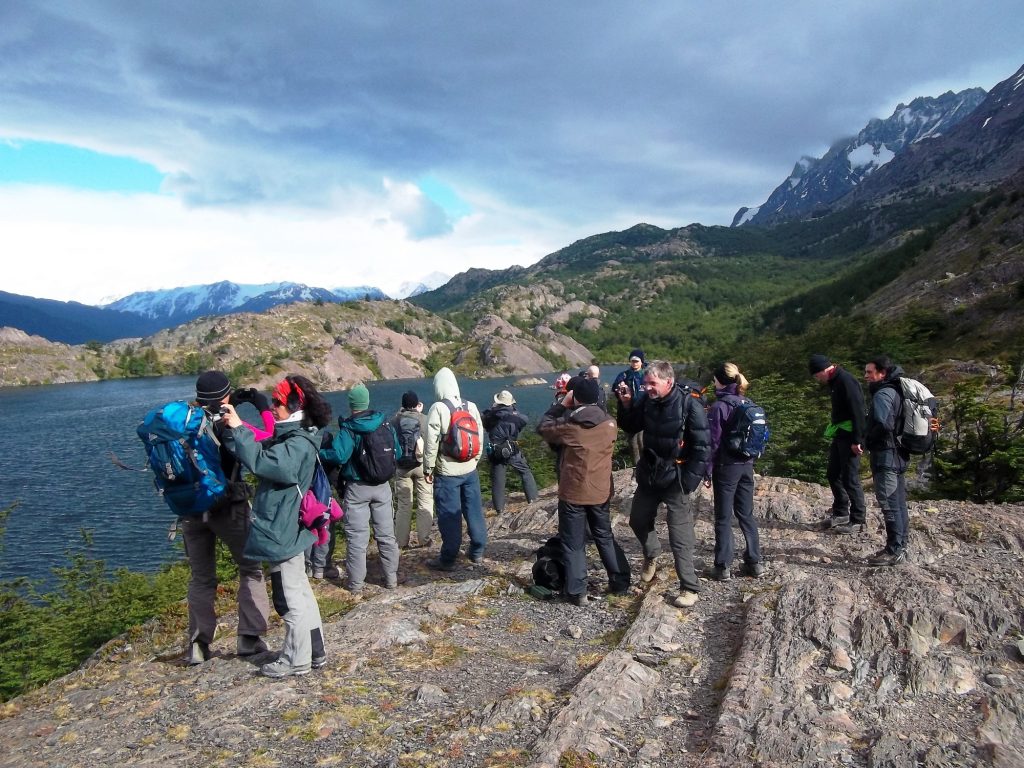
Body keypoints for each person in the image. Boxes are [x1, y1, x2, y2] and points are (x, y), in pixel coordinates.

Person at [221, 374, 331, 678]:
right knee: (301, 591)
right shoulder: (299, 434)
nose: (273, 406)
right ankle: (315, 652)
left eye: (277, 402)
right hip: (290, 524)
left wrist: (240, 430)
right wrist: (234, 429)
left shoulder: (296, 444)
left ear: (295, 407)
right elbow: (262, 446)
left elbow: (265, 462)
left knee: (288, 597)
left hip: (281, 526)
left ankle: (296, 659)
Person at [180, 371, 273, 665]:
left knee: (202, 578)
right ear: (226, 396)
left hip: (191, 510)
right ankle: (249, 637)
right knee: (251, 568)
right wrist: (262, 406)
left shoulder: (184, 422)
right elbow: (266, 439)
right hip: (228, 506)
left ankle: (198, 643)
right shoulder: (225, 422)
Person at [616, 360, 710, 608]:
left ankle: (689, 586)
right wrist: (625, 403)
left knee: (680, 534)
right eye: (645, 383)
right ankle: (652, 555)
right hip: (650, 473)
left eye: (652, 383)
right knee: (637, 519)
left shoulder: (689, 405)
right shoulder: (647, 401)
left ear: (668, 382)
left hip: (676, 476)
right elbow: (630, 425)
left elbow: (702, 447)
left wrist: (689, 481)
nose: (646, 387)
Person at [538, 376, 630, 605]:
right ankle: (620, 582)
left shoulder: (571, 427)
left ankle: (577, 590)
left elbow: (543, 427)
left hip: (574, 492)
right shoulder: (610, 424)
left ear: (575, 397)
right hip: (600, 491)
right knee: (604, 536)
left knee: (573, 542)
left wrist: (562, 405)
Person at [320, 383, 401, 591]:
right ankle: (391, 579)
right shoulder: (383, 422)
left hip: (357, 488)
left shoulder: (349, 427)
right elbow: (398, 453)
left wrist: (320, 453)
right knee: (386, 535)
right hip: (383, 486)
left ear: (351, 403)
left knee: (357, 538)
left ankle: (356, 585)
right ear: (366, 401)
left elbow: (339, 455)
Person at [422, 367, 487, 570]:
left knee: (449, 515)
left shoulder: (438, 408)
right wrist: (475, 459)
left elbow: (431, 443)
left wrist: (428, 468)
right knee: (474, 510)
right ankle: (477, 550)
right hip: (470, 470)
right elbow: (480, 435)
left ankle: (448, 558)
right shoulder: (471, 406)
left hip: (447, 473)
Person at [704, 363, 764, 581]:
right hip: (747, 465)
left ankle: (723, 566)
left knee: (723, 517)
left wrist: (707, 470)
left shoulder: (720, 406)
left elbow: (713, 442)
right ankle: (754, 562)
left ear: (720, 381)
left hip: (727, 467)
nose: (712, 383)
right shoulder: (747, 402)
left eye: (714, 379)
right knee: (746, 514)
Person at [809, 353, 867, 533]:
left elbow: (858, 411)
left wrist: (858, 440)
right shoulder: (835, 381)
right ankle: (841, 511)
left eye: (817, 375)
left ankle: (858, 519)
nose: (817, 379)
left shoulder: (845, 381)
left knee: (850, 477)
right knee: (833, 473)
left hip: (850, 436)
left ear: (824, 370)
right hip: (840, 433)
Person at [863, 356, 910, 566]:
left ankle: (894, 550)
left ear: (882, 373)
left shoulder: (883, 394)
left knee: (889, 503)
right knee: (898, 502)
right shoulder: (897, 391)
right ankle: (900, 545)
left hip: (886, 455)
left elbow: (883, 424)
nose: (866, 376)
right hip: (899, 453)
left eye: (869, 372)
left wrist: (867, 440)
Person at [482, 390, 539, 514]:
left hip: (496, 449)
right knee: (525, 471)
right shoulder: (518, 417)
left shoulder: (491, 416)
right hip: (512, 447)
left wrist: (493, 410)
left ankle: (499, 509)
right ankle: (533, 499)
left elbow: (485, 422)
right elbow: (525, 420)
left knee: (498, 479)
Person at [392, 390, 434, 549]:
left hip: (402, 468)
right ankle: (424, 539)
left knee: (404, 505)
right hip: (421, 465)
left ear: (402, 405)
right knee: (425, 501)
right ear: (417, 404)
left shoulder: (394, 421)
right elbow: (431, 442)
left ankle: (401, 542)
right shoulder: (424, 419)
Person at [612, 349, 647, 462]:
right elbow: (615, 387)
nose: (634, 363)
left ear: (642, 362)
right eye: (632, 361)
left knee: (643, 443)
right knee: (633, 445)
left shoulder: (646, 375)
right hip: (629, 415)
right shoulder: (624, 375)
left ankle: (646, 468)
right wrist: (620, 386)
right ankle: (636, 469)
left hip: (643, 415)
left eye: (637, 361)